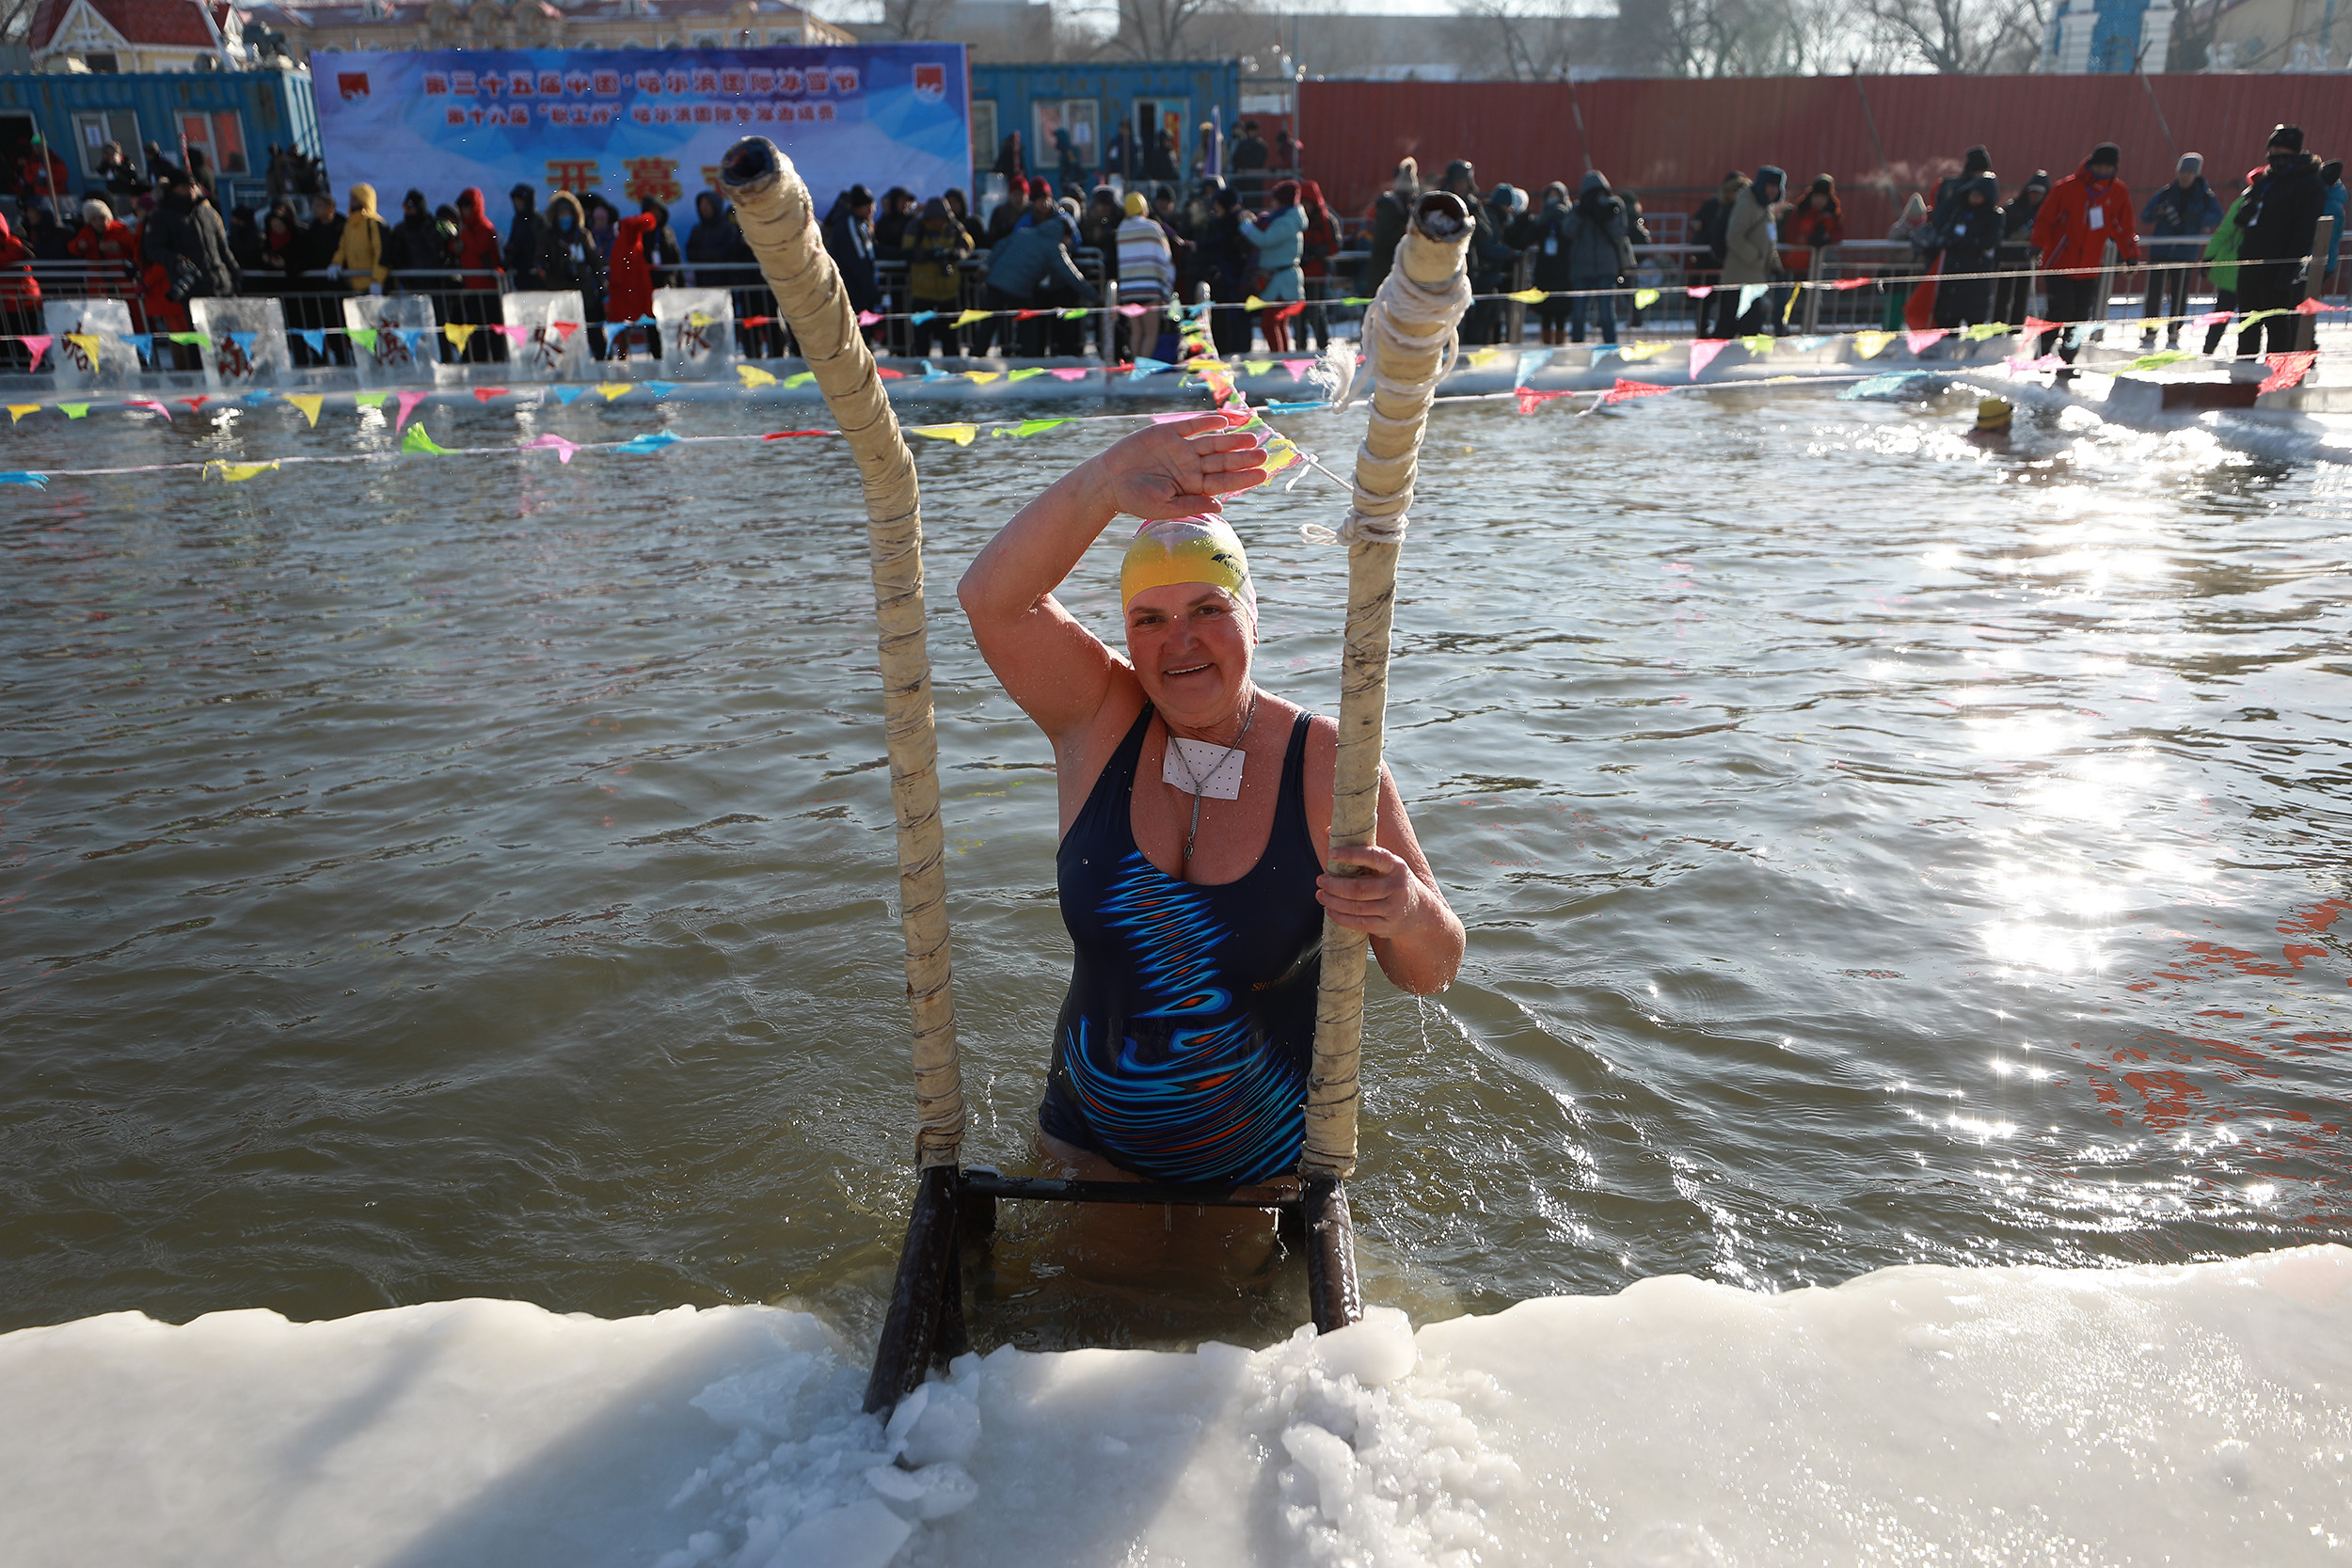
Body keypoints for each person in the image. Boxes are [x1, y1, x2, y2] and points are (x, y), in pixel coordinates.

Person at [955, 421, 1463, 1201]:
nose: (1179, 642)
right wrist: (1105, 481)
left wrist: (1405, 910)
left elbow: (1434, 968)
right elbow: (991, 600)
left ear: (1253, 618)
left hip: (1257, 1175)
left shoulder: (1325, 761)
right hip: (1084, 1149)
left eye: (1206, 608)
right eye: (1148, 620)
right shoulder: (1102, 717)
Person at [2029, 143, 2137, 364]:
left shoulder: (2118, 191)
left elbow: (2124, 227)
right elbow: (2045, 219)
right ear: (2092, 164)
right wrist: (2037, 244)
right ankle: (2042, 354)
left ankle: (2068, 360)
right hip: (2060, 262)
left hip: (2089, 266)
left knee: (2079, 316)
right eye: (2100, 165)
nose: (2104, 170)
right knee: (2059, 310)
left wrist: (2130, 254)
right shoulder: (2066, 188)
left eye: (2109, 167)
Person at [2233, 124, 2325, 358]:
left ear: (2293, 152)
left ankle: (2279, 378)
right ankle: (2245, 377)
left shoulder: (2308, 183)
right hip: (2252, 263)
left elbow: (2304, 230)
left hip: (2280, 266)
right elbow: (2248, 212)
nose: (2274, 156)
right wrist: (2244, 214)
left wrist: (2289, 267)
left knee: (2279, 327)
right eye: (2271, 151)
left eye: (2280, 150)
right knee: (2248, 325)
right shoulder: (2267, 180)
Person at [981, 195, 1097, 356]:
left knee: (988, 322)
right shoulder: (1054, 247)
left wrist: (985, 265)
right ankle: (1030, 357)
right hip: (1018, 287)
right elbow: (1071, 275)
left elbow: (1001, 245)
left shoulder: (1027, 233)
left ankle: (975, 355)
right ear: (1065, 235)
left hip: (995, 280)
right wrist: (1093, 295)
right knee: (1028, 325)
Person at [2139, 153, 2221, 348]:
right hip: (2161, 251)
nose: (2185, 176)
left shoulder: (2205, 197)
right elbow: (2146, 215)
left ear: (2196, 174)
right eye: (2182, 172)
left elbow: (2216, 217)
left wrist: (2197, 217)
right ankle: (2150, 331)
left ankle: (2174, 331)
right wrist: (2158, 213)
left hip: (2185, 254)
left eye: (2189, 173)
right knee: (2154, 294)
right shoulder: (2166, 193)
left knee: (2179, 295)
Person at [1553, 170, 1636, 346]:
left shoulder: (1614, 205)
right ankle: (1577, 345)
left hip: (1606, 266)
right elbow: (1568, 231)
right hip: (1581, 267)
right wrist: (1581, 213)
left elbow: (1619, 231)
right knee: (1578, 313)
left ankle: (1610, 345)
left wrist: (1606, 214)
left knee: (1607, 312)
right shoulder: (1579, 208)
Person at [1930, 172, 2002, 330]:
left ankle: (1975, 351)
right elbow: (1947, 231)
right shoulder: (1960, 211)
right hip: (1954, 270)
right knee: (1948, 317)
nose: (1974, 198)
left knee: (1975, 318)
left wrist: (1966, 241)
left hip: (1977, 272)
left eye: (1979, 194)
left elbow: (1990, 240)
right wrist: (1949, 240)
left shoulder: (1994, 216)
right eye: (1973, 194)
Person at [1240, 179, 1306, 352]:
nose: (1272, 203)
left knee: (1269, 324)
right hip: (1281, 279)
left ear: (1282, 201)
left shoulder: (1286, 222)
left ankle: (1279, 359)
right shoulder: (1288, 218)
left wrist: (1245, 226)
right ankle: (1283, 358)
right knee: (1278, 323)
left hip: (1281, 280)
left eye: (1275, 199)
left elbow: (1265, 240)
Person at [1720, 164, 1783, 337]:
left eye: (1776, 187)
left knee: (1743, 327)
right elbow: (1734, 236)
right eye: (1770, 186)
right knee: (1739, 327)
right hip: (1739, 278)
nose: (1773, 191)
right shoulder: (1747, 204)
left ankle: (1734, 360)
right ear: (1761, 185)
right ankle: (1728, 361)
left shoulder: (1765, 207)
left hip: (1754, 278)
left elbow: (1770, 240)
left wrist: (1775, 264)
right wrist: (1757, 259)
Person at [906, 196, 973, 357]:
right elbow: (908, 252)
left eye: (941, 219)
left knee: (950, 336)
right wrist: (929, 255)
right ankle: (920, 369)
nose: (938, 223)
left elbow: (968, 244)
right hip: (923, 292)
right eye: (934, 219)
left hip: (948, 292)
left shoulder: (954, 227)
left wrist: (954, 254)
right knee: (921, 336)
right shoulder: (917, 227)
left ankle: (952, 369)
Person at [1115, 188, 1173, 360]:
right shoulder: (1152, 227)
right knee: (1151, 332)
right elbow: (1165, 257)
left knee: (1136, 331)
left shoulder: (1121, 230)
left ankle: (1134, 362)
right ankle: (1142, 367)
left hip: (1128, 289)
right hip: (1149, 287)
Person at [1197, 184, 1253, 356]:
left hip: (1235, 278)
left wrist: (1196, 247)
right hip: (1230, 277)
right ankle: (1236, 348)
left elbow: (1221, 243)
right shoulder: (1227, 222)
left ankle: (1238, 349)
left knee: (1236, 317)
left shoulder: (1233, 224)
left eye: (1218, 204)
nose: (1215, 208)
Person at [1690, 170, 1746, 338]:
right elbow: (1697, 222)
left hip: (1728, 260)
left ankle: (1723, 330)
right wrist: (1697, 225)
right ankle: (1704, 330)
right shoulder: (1715, 205)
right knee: (1706, 299)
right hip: (1709, 260)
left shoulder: (1742, 208)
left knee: (1725, 298)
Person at [2200, 181, 2250, 356]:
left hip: (2232, 267)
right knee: (2251, 318)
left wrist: (2208, 256)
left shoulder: (2242, 203)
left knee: (2222, 313)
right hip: (2254, 270)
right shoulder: (2276, 203)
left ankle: (2209, 349)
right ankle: (2246, 355)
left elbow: (2224, 231)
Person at [1992, 171, 2049, 326]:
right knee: (2002, 294)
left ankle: (2016, 328)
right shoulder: (2013, 207)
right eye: (2033, 192)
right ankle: (1997, 326)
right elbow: (2001, 229)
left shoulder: (2046, 212)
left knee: (2022, 295)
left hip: (2027, 260)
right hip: (2008, 259)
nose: (2035, 196)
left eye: (2039, 193)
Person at [822, 185, 879, 329]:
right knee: (854, 327)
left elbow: (871, 249)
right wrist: (869, 287)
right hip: (851, 284)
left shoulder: (861, 223)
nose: (872, 209)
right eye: (868, 205)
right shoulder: (849, 223)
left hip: (857, 284)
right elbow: (857, 257)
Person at [606, 207, 658, 357]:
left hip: (629, 294)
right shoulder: (629, 240)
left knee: (625, 328)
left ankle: (624, 356)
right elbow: (649, 220)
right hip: (630, 294)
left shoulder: (625, 242)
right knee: (628, 327)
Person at [1362, 158, 1419, 297]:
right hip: (1385, 272)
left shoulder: (1400, 209)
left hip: (1397, 274)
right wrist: (1406, 231)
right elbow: (1383, 240)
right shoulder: (1388, 208)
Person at [1295, 178, 1339, 353]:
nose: (1306, 207)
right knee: (1298, 314)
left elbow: (1335, 245)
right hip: (1299, 275)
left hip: (1316, 274)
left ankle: (1323, 345)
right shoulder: (1296, 220)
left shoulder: (1326, 221)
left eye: (1308, 203)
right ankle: (1300, 346)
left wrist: (1314, 252)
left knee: (1316, 312)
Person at [331, 182, 390, 294]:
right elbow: (342, 248)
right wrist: (336, 263)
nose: (351, 201)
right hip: (355, 287)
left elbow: (382, 252)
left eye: (355, 198)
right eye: (351, 198)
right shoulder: (349, 225)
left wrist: (378, 280)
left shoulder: (375, 224)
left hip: (373, 286)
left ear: (364, 200)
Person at [68, 198, 136, 292]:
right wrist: (79, 246)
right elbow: (71, 247)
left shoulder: (119, 228)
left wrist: (119, 245)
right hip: (97, 279)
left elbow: (132, 244)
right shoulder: (86, 232)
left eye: (102, 218)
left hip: (120, 276)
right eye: (94, 219)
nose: (98, 222)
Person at [1781, 174, 1842, 277]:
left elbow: (1839, 232)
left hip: (1820, 268)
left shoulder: (1833, 213)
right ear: (1812, 195)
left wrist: (1828, 239)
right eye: (1817, 196)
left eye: (1823, 197)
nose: (1819, 200)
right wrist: (1807, 240)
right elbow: (1790, 233)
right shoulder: (1801, 210)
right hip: (1795, 267)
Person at [683, 189, 746, 284]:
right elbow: (690, 251)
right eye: (702, 204)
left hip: (724, 280)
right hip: (702, 280)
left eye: (707, 204)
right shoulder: (697, 229)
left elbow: (730, 251)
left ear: (715, 205)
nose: (704, 207)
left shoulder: (728, 228)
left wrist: (705, 255)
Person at [386, 189, 448, 275]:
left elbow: (451, 248)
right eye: (405, 208)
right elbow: (395, 257)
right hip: (411, 283)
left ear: (420, 208)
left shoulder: (438, 227)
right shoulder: (400, 231)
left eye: (411, 208)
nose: (407, 211)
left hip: (437, 282)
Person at [453, 186, 502, 288]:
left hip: (486, 284)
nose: (464, 210)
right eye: (462, 207)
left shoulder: (485, 228)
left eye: (467, 207)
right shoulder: (462, 225)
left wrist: (464, 233)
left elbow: (479, 247)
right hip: (470, 283)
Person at [503, 183, 545, 291]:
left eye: (520, 201)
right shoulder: (517, 220)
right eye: (516, 201)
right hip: (520, 275)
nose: (518, 204)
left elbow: (542, 246)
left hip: (535, 276)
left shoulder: (538, 221)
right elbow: (512, 242)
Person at [2320, 160, 2345, 300]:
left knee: (2302, 303)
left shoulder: (2329, 205)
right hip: (2326, 261)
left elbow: (2324, 239)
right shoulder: (2334, 201)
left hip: (2319, 262)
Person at [1230, 118, 1269, 203]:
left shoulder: (1242, 144)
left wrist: (1242, 169)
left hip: (1244, 180)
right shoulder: (1261, 145)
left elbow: (1235, 160)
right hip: (1252, 181)